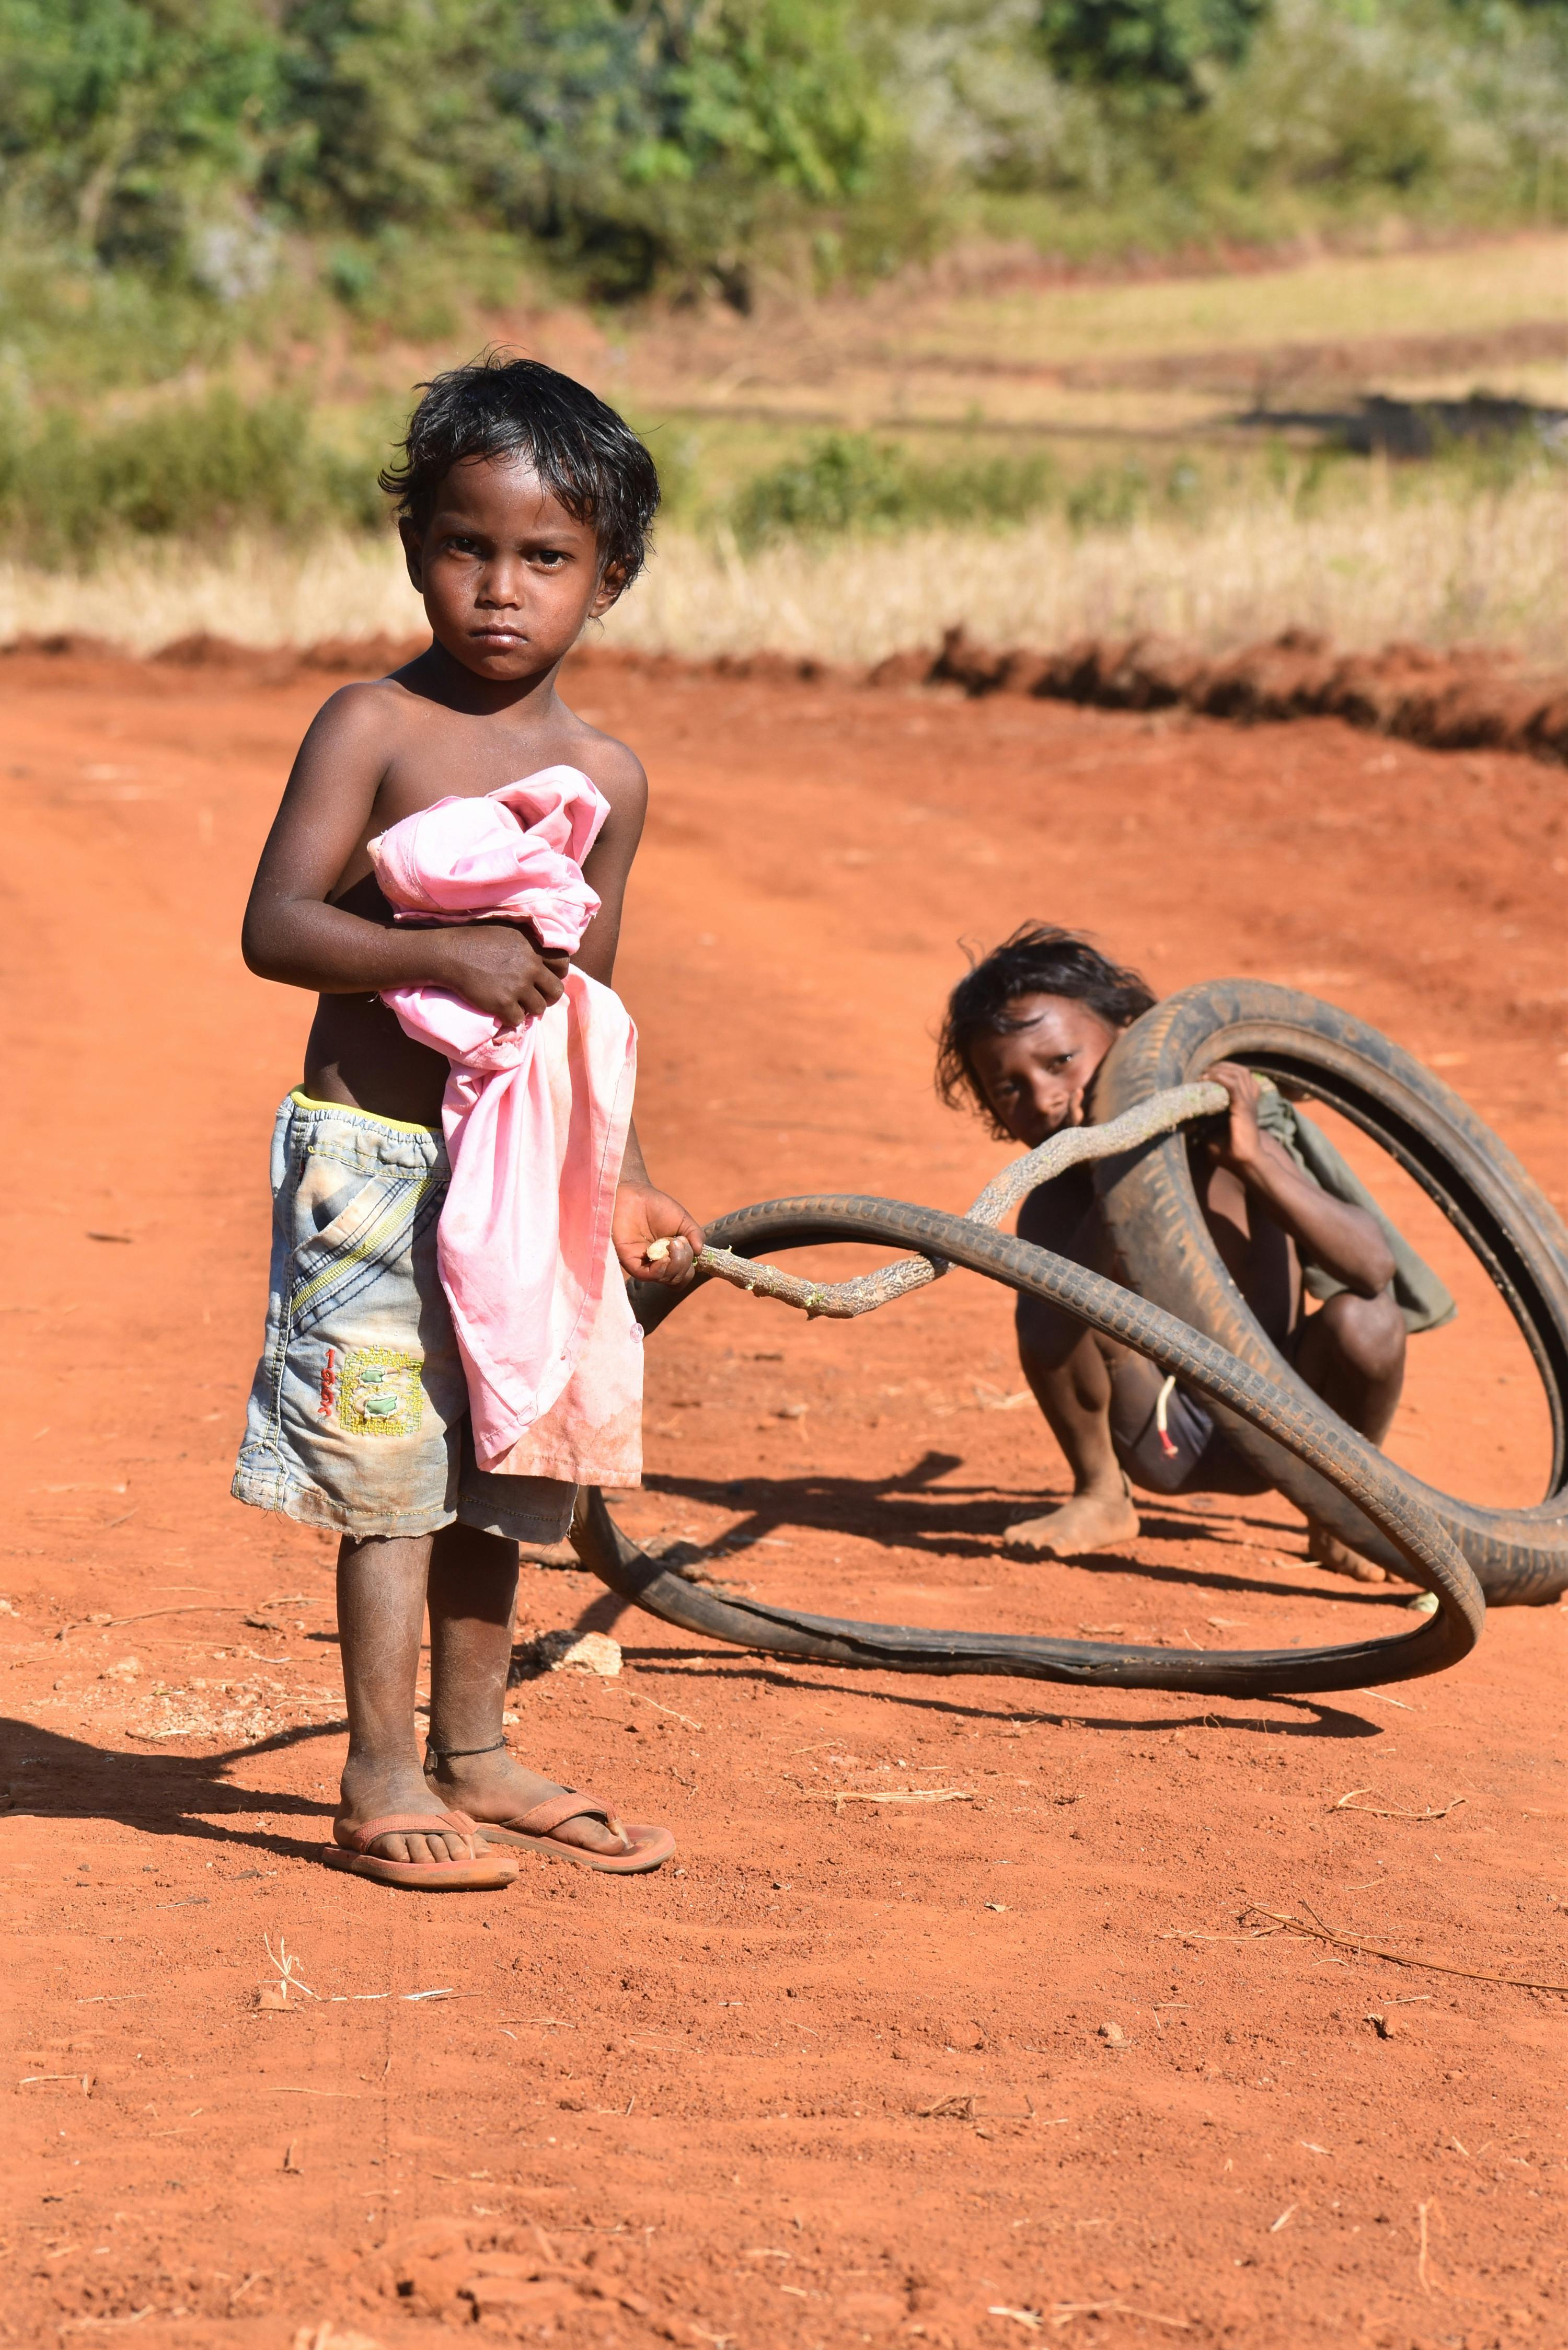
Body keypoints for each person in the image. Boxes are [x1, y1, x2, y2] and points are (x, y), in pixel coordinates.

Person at [234, 355, 704, 1888]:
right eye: (465, 543)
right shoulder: (373, 725)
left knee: (507, 1454)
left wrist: (628, 1181)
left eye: (545, 557)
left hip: (534, 1176)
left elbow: (591, 1001)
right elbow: (279, 926)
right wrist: (435, 948)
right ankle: (379, 1776)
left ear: (607, 578)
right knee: (388, 1474)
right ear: (414, 545)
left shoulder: (608, 777)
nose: (499, 587)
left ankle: (480, 1747)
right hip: (376, 1167)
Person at [936, 926, 1454, 1580]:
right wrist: (1117, 1184)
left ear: (1129, 1037)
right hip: (1160, 1435)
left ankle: (1340, 1510)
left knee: (1368, 1320)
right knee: (1051, 1300)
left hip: (1290, 1423)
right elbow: (1044, 1341)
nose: (1043, 1098)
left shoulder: (1235, 1141)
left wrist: (1254, 1160)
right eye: (1007, 1088)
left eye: (1060, 1061)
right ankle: (1100, 1494)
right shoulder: (1055, 1197)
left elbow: (1372, 1271)